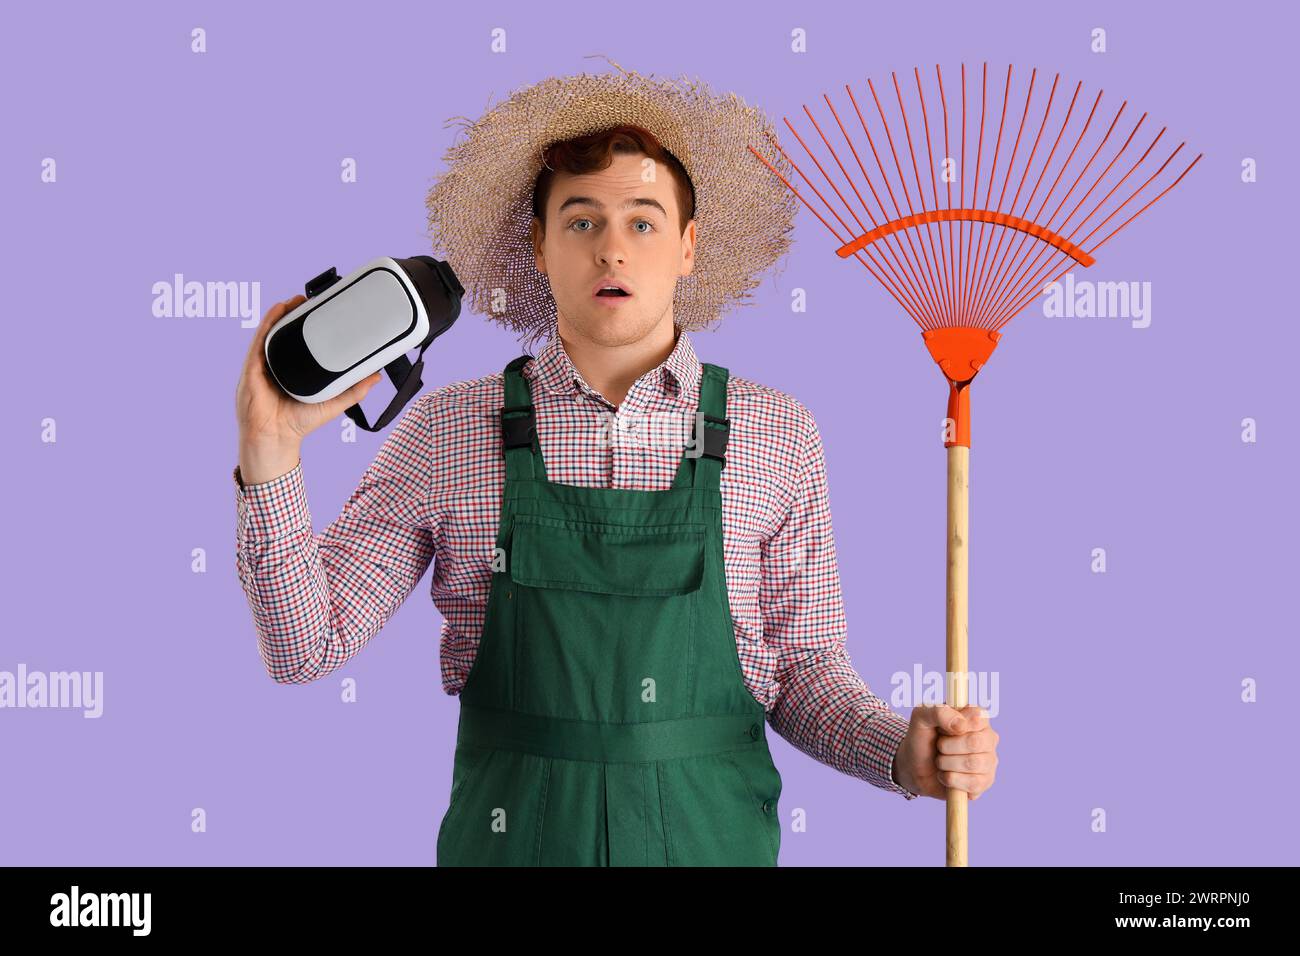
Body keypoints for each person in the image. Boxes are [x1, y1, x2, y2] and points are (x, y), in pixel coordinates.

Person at [233, 59, 998, 866]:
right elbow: (304, 648)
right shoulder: (448, 431)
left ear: (688, 247)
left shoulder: (777, 435)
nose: (611, 251)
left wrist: (900, 754)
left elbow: (804, 674)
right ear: (539, 245)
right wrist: (270, 451)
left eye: (643, 222)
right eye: (581, 222)